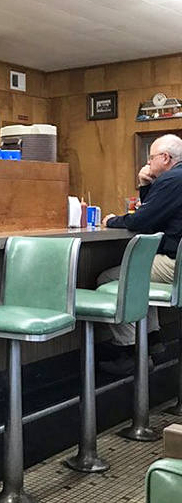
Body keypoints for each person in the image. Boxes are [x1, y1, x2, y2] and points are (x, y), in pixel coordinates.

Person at [97, 133, 182, 374]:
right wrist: (146, 186)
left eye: (151, 158)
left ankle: (130, 350)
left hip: (175, 264)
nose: (148, 162)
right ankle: (153, 340)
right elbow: (156, 217)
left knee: (110, 279)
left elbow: (141, 221)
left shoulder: (172, 180)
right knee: (142, 274)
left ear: (165, 158)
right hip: (176, 262)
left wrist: (111, 221)